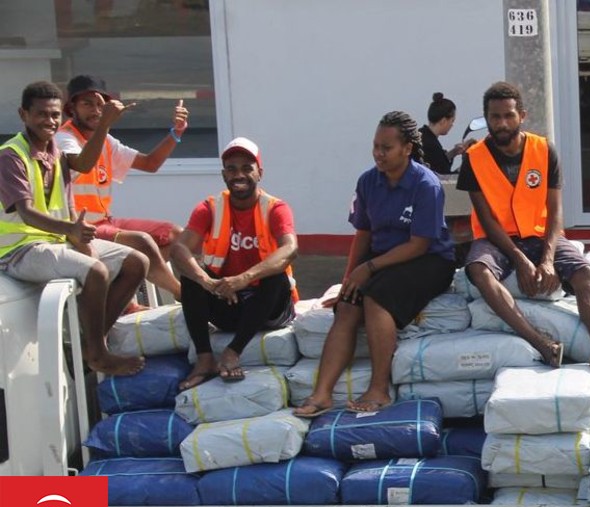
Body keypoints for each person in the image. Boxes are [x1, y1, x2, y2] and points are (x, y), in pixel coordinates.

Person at [458, 81, 590, 373]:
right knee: (478, 270)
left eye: (508, 116)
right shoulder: (474, 158)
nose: (502, 124)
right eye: (495, 117)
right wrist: (520, 260)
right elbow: (487, 220)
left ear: (522, 116)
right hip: (497, 239)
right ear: (486, 118)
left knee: (584, 271)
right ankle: (542, 344)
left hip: (542, 235)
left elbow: (555, 211)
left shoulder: (543, 150)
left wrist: (548, 259)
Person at [293, 111, 456, 417]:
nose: (378, 154)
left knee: (376, 297)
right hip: (384, 259)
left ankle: (379, 389)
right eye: (375, 146)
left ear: (406, 149)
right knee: (349, 304)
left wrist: (368, 269)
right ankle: (322, 393)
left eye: (386, 148)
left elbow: (419, 244)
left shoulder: (426, 185)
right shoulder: (368, 182)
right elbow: (364, 234)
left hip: (429, 260)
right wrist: (347, 281)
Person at [0, 81, 147, 376]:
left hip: (56, 241)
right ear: (23, 114)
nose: (50, 121)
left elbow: (84, 162)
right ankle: (98, 354)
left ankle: (86, 345)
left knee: (136, 262)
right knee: (96, 271)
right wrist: (71, 230)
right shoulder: (10, 156)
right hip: (20, 250)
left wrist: (104, 125)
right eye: (42, 114)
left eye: (55, 115)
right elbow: (27, 213)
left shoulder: (55, 151)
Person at [172, 137, 298, 389]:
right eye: (231, 168)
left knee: (277, 274)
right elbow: (178, 248)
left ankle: (232, 352)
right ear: (223, 175)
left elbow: (290, 248)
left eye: (246, 168)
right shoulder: (209, 207)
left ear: (259, 173)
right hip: (227, 302)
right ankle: (205, 358)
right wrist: (206, 282)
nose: (238, 174)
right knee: (191, 273)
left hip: (268, 306)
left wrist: (243, 279)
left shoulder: (275, 208)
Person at [55, 75, 185, 300]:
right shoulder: (64, 138)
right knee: (141, 241)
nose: (95, 111)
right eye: (87, 104)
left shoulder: (105, 139)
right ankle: (185, 295)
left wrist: (177, 132)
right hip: (81, 229)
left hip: (105, 222)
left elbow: (150, 163)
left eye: (100, 105)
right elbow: (83, 164)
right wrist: (105, 123)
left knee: (176, 235)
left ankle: (124, 292)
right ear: (71, 109)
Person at [419, 93, 476, 175]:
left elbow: (438, 161)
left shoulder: (422, 136)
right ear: (444, 121)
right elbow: (444, 177)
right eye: (452, 121)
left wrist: (454, 152)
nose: (452, 125)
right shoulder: (431, 145)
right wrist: (466, 164)